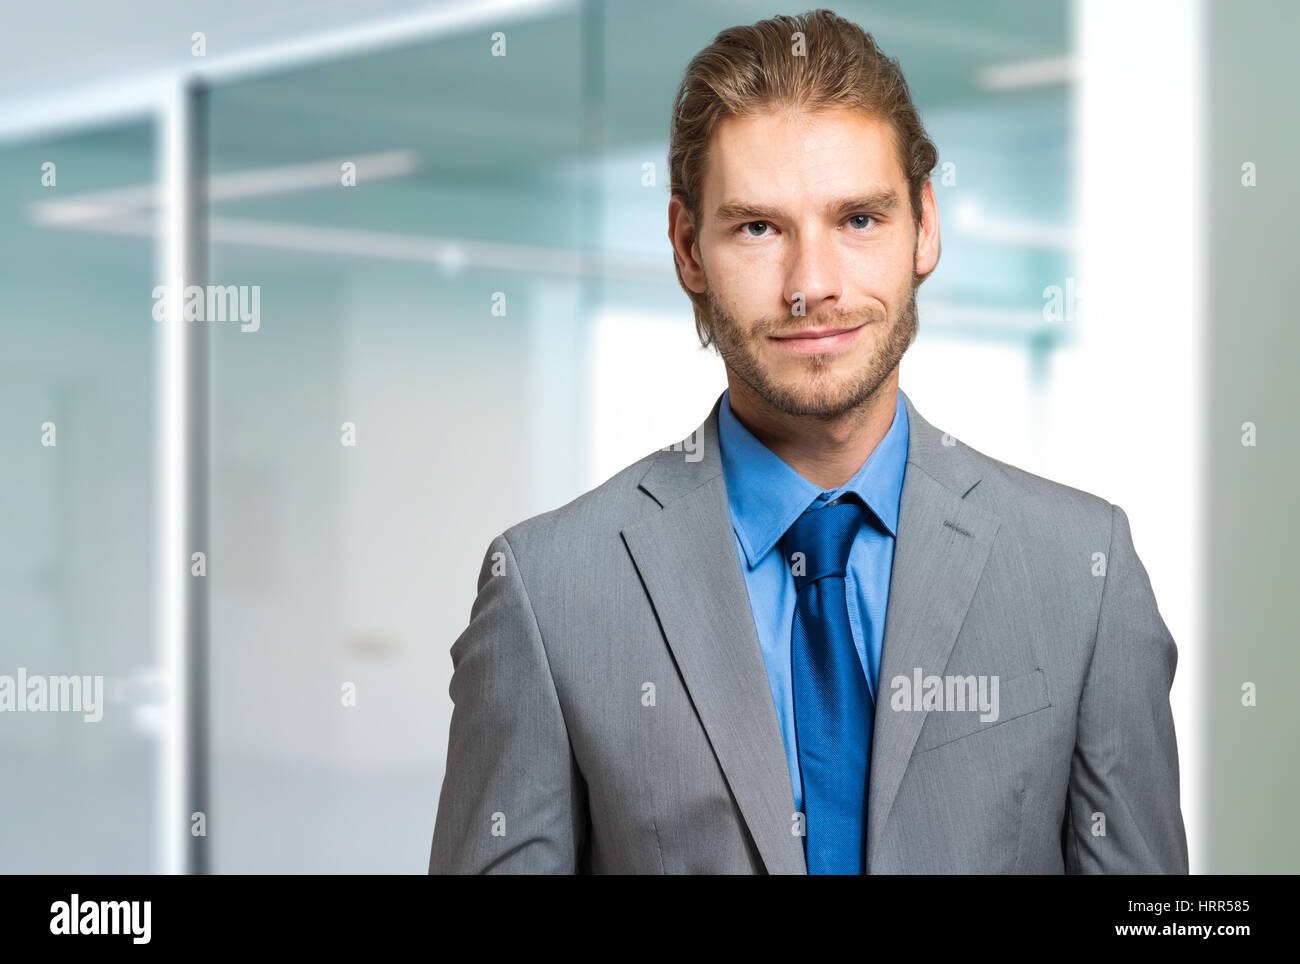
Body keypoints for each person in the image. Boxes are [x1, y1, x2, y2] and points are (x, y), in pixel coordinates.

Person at [428, 8, 1188, 874]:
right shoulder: (550, 590)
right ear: (687, 248)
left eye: (859, 220)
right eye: (758, 227)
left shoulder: (1083, 571)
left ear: (925, 228)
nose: (812, 286)